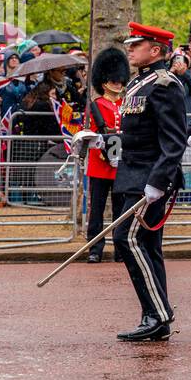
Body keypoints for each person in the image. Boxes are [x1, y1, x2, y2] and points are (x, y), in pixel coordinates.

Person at [112, 23, 188, 342]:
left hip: (150, 179)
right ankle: (154, 315)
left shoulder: (165, 84)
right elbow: (136, 133)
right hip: (132, 174)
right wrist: (102, 140)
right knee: (147, 246)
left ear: (155, 49)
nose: (130, 49)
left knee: (126, 239)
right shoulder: (139, 82)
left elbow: (174, 142)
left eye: (136, 44)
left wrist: (159, 182)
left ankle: (157, 313)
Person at [83, 46, 128, 263]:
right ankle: (95, 247)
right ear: (104, 82)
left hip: (120, 163)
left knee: (120, 209)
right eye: (114, 80)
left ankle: (120, 247)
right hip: (100, 163)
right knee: (97, 209)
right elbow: (91, 133)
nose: (118, 83)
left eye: (120, 80)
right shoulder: (96, 106)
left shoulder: (126, 105)